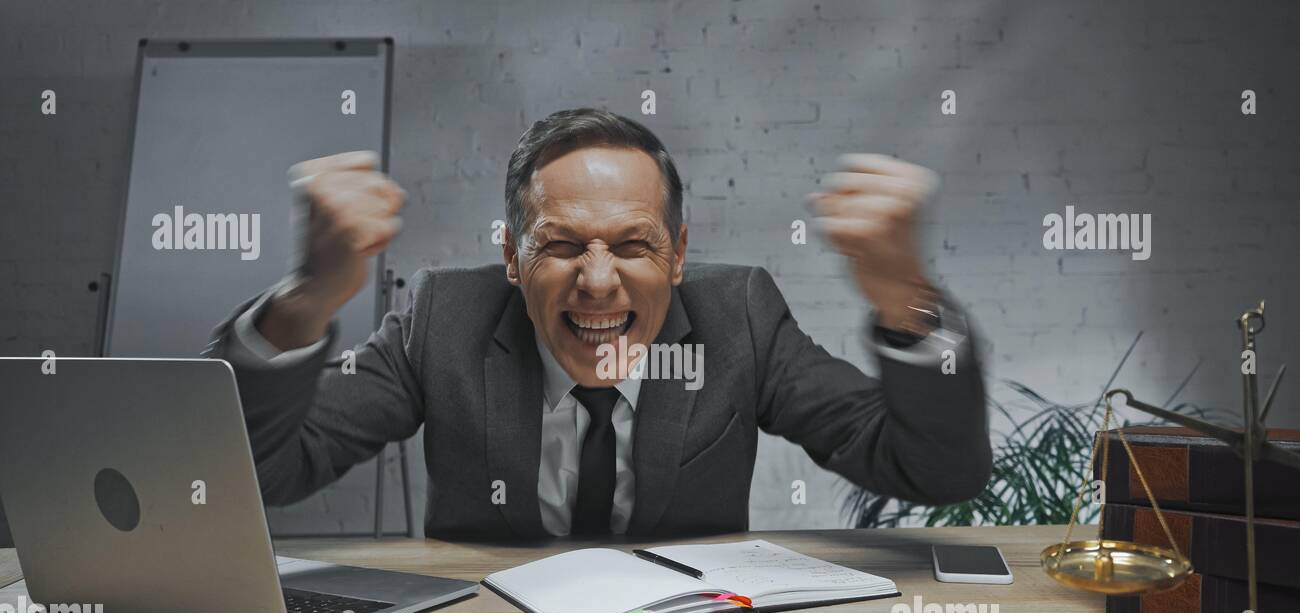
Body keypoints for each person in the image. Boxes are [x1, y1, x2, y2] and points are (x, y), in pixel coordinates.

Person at [205, 107, 991, 540]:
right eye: (559, 246)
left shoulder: (738, 314)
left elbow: (935, 473)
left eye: (633, 245)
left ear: (679, 254)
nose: (598, 281)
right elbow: (262, 472)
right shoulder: (446, 316)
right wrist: (308, 298)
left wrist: (908, 301)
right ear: (511, 258)